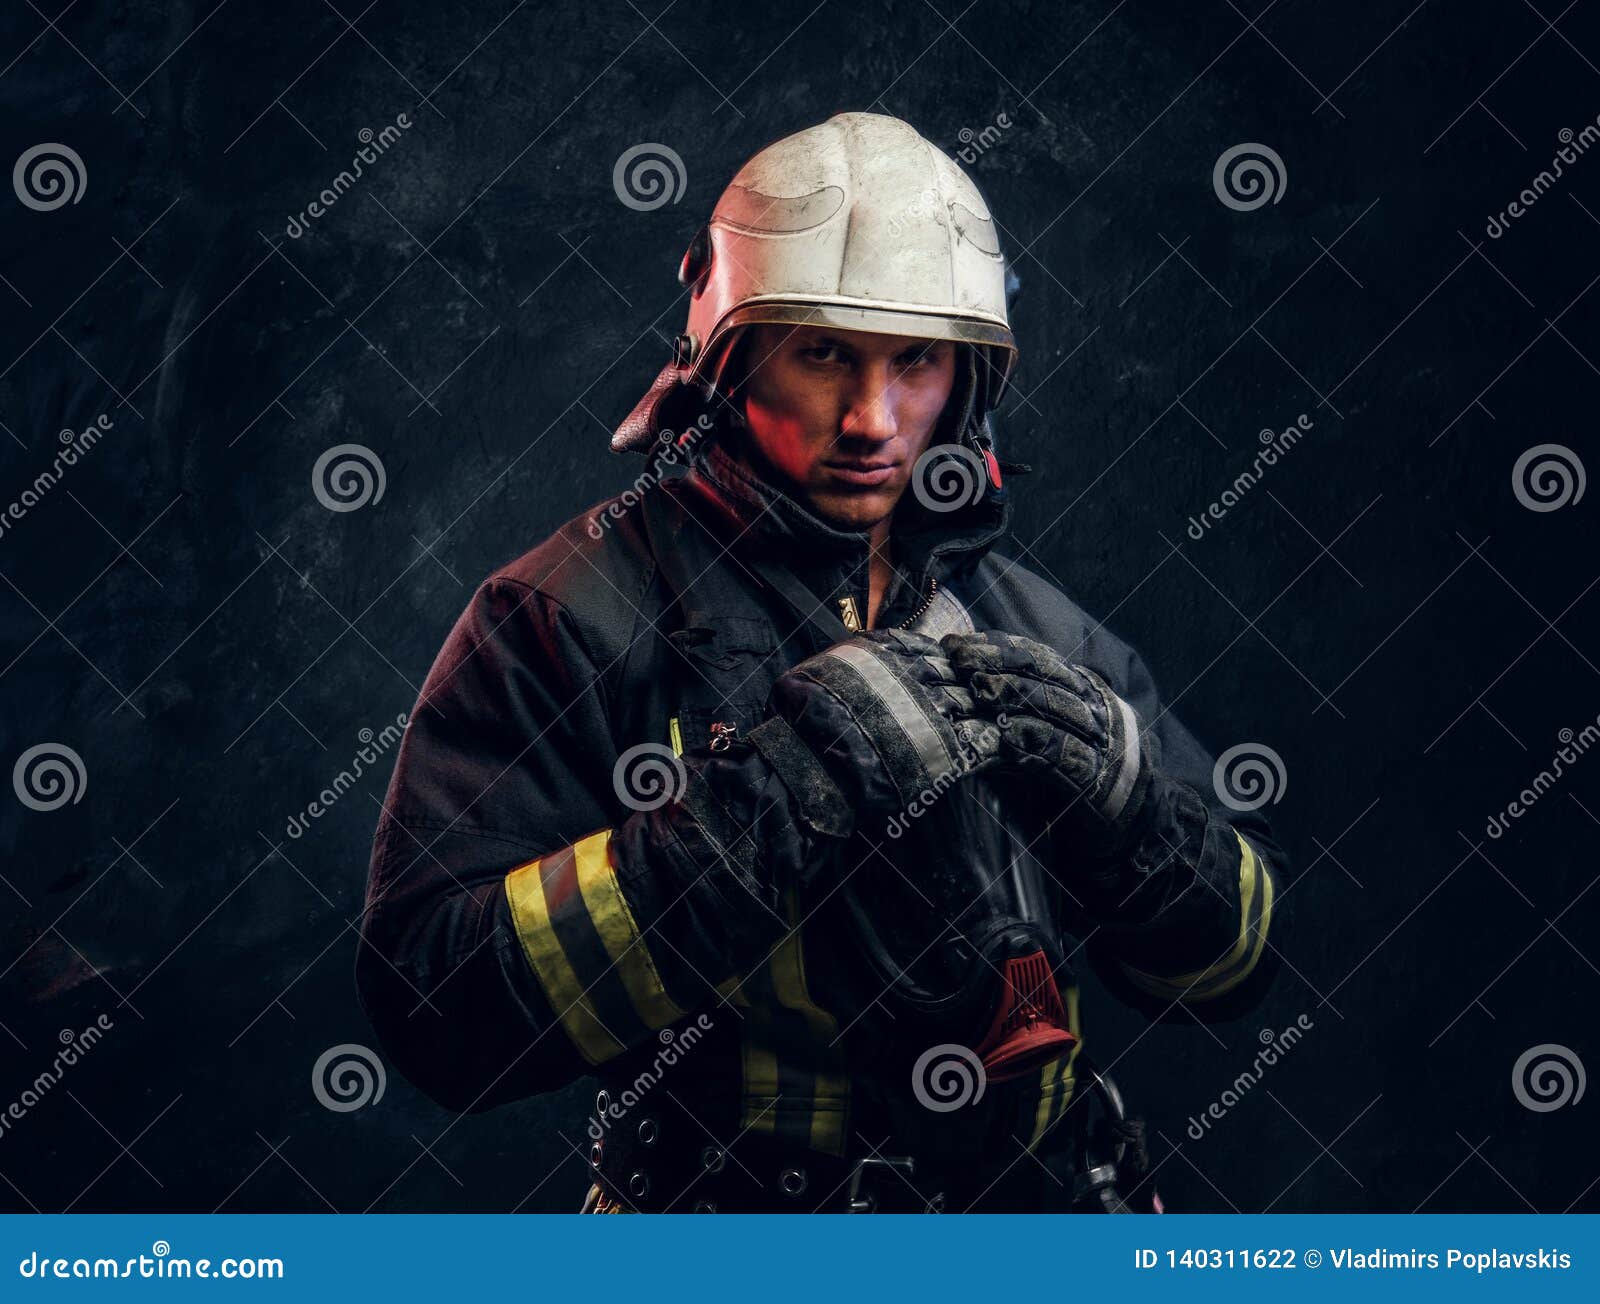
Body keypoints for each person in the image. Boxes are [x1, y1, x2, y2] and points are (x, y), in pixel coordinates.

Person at [356, 112, 1287, 1213]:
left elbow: (1227, 974)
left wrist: (1132, 815)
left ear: (969, 380)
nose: (870, 418)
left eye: (916, 361)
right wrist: (744, 829)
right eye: (824, 351)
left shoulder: (1039, 630)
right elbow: (436, 1013)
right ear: (728, 354)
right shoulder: (568, 612)